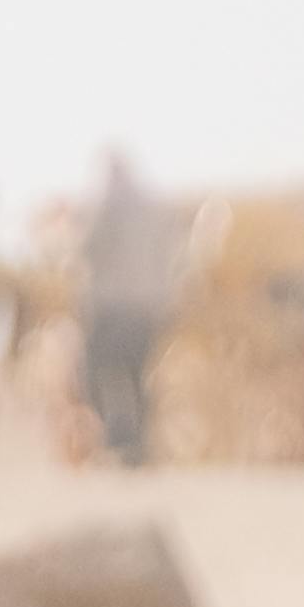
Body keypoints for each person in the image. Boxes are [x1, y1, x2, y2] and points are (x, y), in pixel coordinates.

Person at [77, 146, 186, 466]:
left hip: (113, 305)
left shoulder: (109, 203)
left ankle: (118, 431)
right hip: (150, 307)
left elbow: (89, 247)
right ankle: (137, 442)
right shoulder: (156, 206)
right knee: (138, 374)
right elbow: (175, 254)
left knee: (95, 368)